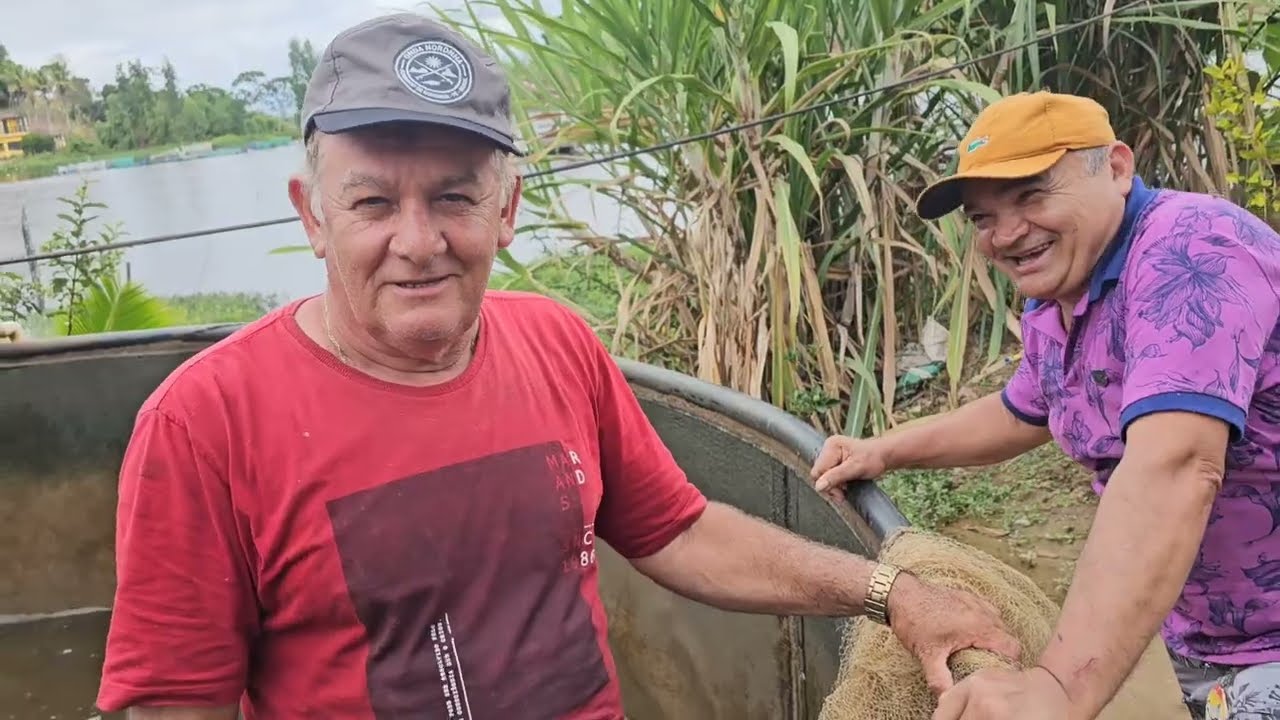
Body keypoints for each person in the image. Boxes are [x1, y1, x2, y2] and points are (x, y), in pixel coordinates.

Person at [94, 13, 1021, 719]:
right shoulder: (205, 421)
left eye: (455, 196)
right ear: (311, 215)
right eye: (373, 201)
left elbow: (681, 532)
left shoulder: (557, 343)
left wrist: (890, 591)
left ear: (506, 210)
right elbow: (174, 697)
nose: (418, 242)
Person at [812, 90, 1280, 719]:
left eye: (1031, 195)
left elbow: (1176, 465)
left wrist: (1057, 689)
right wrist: (883, 450)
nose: (1005, 234)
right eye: (982, 217)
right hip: (1211, 639)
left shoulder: (1191, 250)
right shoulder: (1061, 296)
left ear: (1115, 167)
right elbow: (1020, 411)